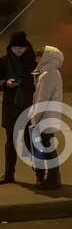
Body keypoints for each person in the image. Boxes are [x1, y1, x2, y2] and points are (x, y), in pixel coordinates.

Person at [27, 45, 63, 189]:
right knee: (49, 147)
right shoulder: (52, 71)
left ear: (46, 57)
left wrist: (35, 120)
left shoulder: (48, 73)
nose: (36, 59)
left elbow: (42, 99)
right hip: (49, 115)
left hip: (45, 117)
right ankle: (54, 177)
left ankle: (54, 178)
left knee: (48, 148)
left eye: (39, 56)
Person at [1, 33, 35, 184]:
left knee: (31, 140)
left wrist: (22, 83)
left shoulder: (33, 61)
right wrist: (5, 84)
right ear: (10, 47)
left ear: (26, 47)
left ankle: (40, 175)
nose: (18, 51)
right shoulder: (3, 61)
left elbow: (37, 82)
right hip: (11, 105)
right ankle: (9, 174)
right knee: (11, 142)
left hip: (28, 105)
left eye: (21, 48)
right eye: (15, 48)